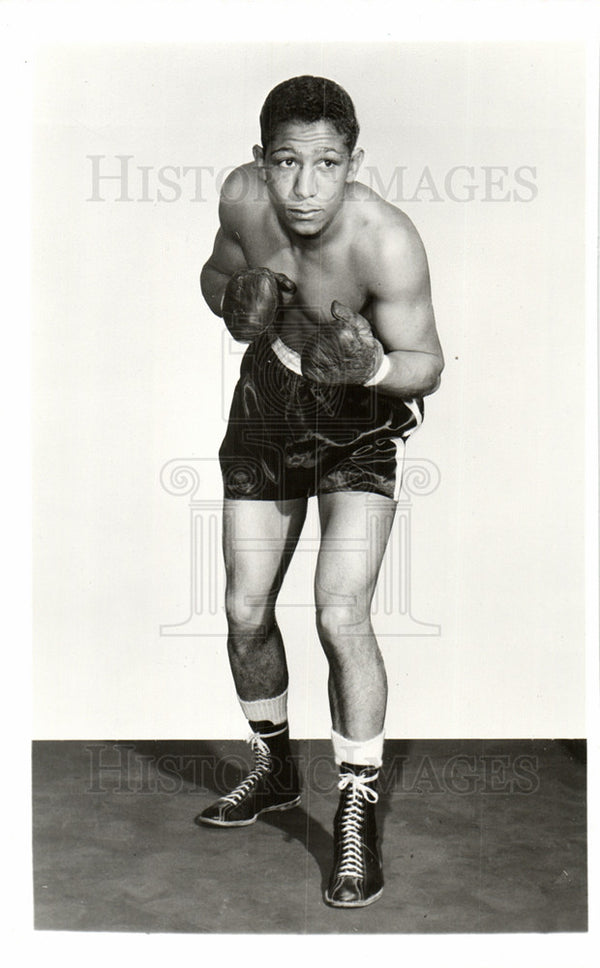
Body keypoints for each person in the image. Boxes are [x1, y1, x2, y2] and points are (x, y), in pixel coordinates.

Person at [197, 75, 444, 908]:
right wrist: (234, 301)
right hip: (270, 401)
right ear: (260, 160)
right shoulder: (243, 200)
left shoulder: (387, 241)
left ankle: (356, 809)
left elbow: (426, 362)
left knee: (340, 612)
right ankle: (273, 770)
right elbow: (214, 274)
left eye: (327, 163)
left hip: (358, 421)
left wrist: (372, 369)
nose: (306, 186)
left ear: (353, 162)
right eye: (287, 162)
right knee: (243, 608)